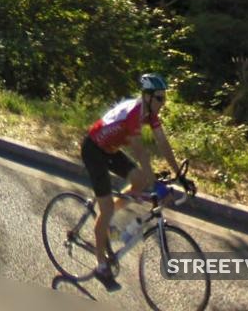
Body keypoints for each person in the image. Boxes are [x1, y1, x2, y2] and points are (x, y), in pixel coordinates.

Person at [82, 73, 191, 290]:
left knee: (139, 181)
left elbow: (162, 144)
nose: (163, 103)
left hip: (111, 150)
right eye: (160, 98)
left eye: (164, 98)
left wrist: (179, 175)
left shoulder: (149, 116)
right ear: (148, 97)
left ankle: (108, 220)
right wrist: (157, 185)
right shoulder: (134, 114)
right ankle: (101, 266)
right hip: (94, 150)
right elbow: (141, 153)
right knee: (105, 209)